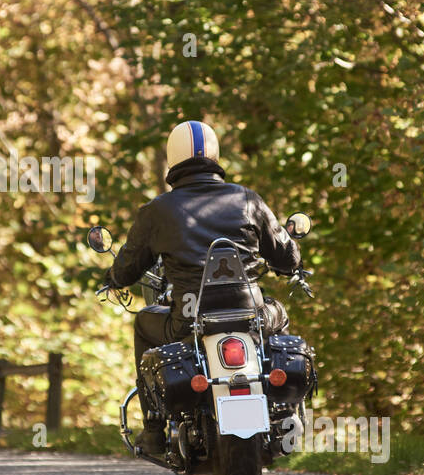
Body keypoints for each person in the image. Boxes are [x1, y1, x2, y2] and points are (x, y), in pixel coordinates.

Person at [101, 120, 302, 454]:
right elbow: (287, 256)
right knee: (279, 314)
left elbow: (127, 267)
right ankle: (287, 412)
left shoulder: (158, 210)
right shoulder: (247, 199)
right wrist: (291, 264)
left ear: (172, 158)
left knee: (142, 323)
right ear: (216, 154)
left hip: (189, 320)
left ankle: (152, 428)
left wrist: (114, 279)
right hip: (250, 315)